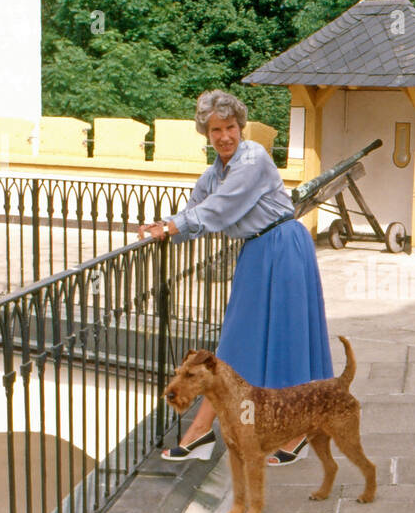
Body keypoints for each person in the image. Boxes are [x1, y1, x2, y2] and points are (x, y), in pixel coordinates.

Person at [138, 90, 333, 464]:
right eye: (216, 130)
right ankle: (201, 432)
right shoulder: (213, 174)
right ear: (206, 134)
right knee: (234, 345)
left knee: (288, 340)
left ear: (240, 127)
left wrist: (177, 225)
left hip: (284, 246)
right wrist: (164, 226)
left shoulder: (253, 158)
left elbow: (223, 208)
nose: (224, 136)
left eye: (230, 127)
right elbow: (197, 212)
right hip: (255, 253)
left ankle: (298, 430)